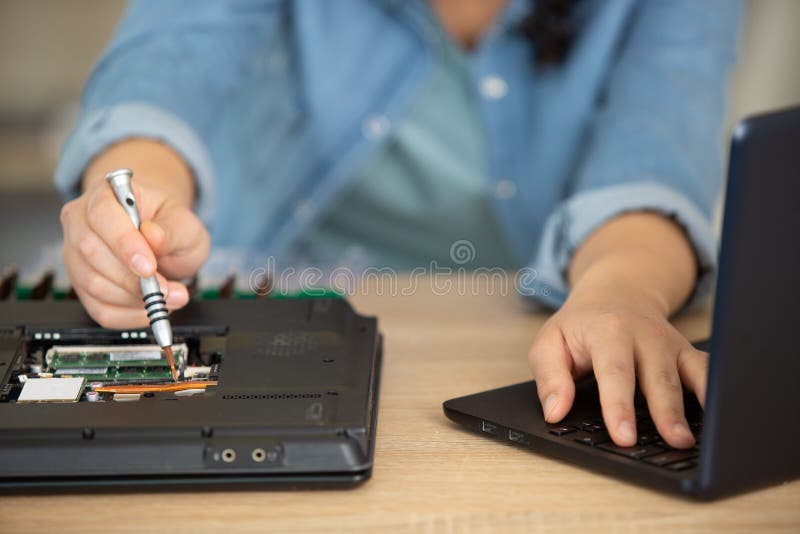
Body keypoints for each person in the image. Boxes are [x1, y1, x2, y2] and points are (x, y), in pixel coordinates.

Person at [56, 0, 742, 450]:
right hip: (265, 294)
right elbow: (168, 62)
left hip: (511, 330)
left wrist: (623, 292)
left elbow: (658, 150)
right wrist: (136, 193)